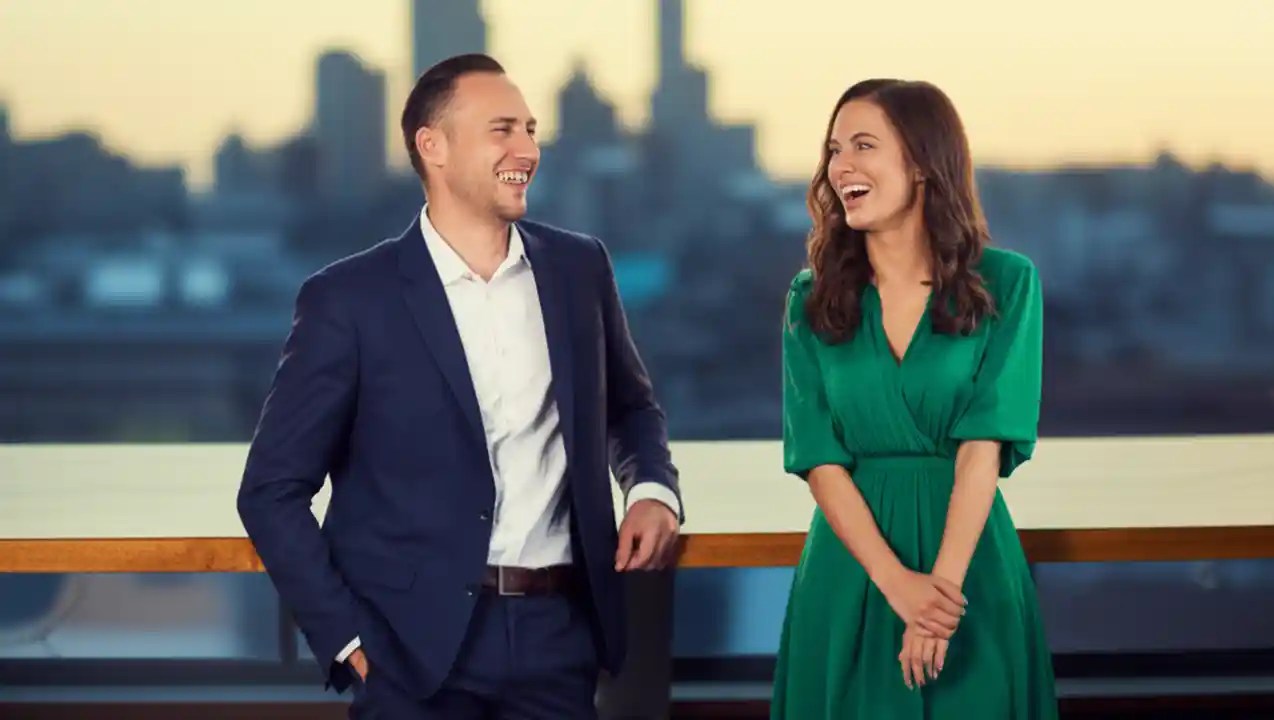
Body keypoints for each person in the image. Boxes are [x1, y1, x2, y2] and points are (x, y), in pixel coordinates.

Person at [236, 53, 683, 719]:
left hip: (558, 638)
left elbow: (629, 406)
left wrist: (650, 490)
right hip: (407, 651)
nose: (527, 150)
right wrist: (348, 639)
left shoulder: (578, 268)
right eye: (503, 130)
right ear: (433, 146)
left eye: (530, 130)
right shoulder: (350, 299)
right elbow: (271, 490)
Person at [770, 78, 1058, 719]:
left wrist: (938, 603)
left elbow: (983, 450)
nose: (841, 166)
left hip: (970, 569)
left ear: (923, 163)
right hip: (851, 571)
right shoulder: (809, 298)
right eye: (834, 150)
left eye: (863, 145)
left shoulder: (1008, 283)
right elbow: (818, 459)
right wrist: (897, 585)